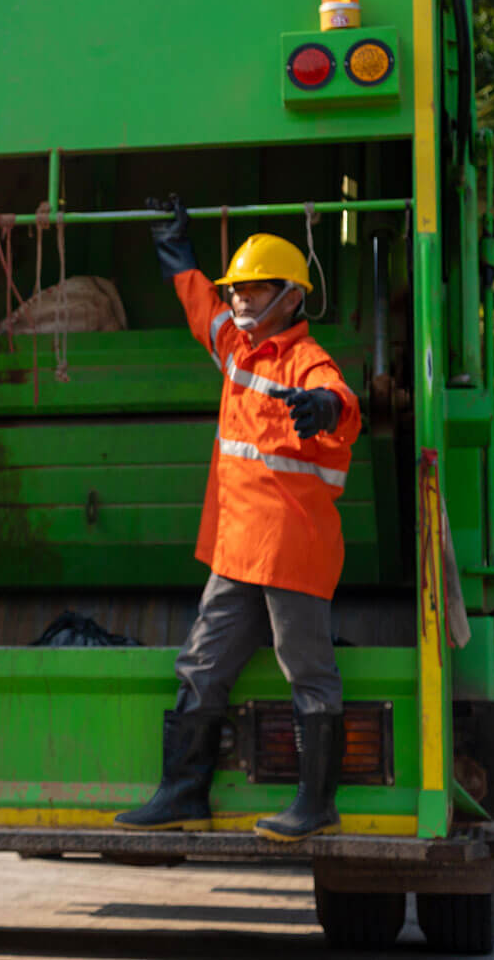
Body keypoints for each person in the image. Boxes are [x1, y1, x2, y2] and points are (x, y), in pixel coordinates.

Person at [115, 195, 360, 842]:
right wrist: (175, 248)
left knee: (307, 671)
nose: (241, 300)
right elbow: (201, 306)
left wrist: (325, 409)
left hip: (293, 550)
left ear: (291, 295)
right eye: (239, 290)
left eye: (253, 290)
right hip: (240, 551)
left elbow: (341, 398)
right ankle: (182, 794)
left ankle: (315, 804)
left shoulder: (306, 360)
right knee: (201, 663)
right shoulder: (236, 347)